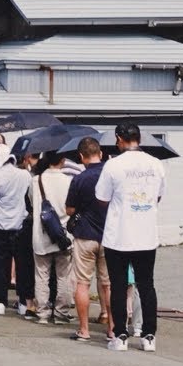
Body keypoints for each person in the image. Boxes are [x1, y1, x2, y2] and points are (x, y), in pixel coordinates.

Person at [98, 122, 166, 352]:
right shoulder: (156, 165)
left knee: (118, 286)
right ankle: (149, 336)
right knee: (146, 285)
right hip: (146, 233)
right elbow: (157, 196)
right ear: (140, 138)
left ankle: (120, 335)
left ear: (119, 139)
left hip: (119, 234)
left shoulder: (113, 165)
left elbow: (102, 197)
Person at [65, 137, 111, 341]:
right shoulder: (111, 175)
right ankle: (112, 329)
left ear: (81, 157)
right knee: (109, 284)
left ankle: (84, 330)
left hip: (85, 235)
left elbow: (70, 209)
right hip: (110, 236)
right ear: (100, 153)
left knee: (82, 283)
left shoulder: (79, 179)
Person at [0, 144, 31, 315]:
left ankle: (0, 302)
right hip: (20, 225)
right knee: (22, 265)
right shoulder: (24, 175)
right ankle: (24, 302)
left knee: (0, 265)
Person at [30, 152, 75, 325]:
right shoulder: (68, 180)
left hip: (41, 234)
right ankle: (61, 312)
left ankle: (42, 312)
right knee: (63, 275)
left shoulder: (36, 180)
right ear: (62, 160)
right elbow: (71, 207)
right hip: (63, 236)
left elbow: (33, 204)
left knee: (42, 275)